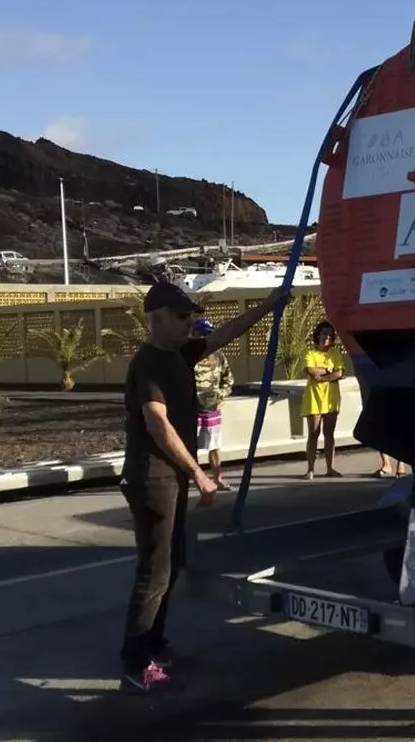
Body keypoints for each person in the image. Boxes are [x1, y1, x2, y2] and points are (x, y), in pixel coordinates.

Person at [118, 281, 288, 695]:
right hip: (153, 476)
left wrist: (269, 305)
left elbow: (228, 331)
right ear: (155, 319)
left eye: (189, 315)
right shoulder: (150, 363)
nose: (188, 322)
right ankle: (136, 663)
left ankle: (155, 646)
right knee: (155, 572)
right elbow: (157, 425)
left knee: (170, 566)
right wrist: (198, 471)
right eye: (180, 316)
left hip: (169, 475)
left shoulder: (181, 353)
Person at [302, 320, 348, 479]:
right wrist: (328, 370)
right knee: (313, 433)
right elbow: (310, 370)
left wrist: (323, 376)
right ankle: (310, 468)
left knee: (329, 433)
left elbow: (340, 373)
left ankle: (330, 467)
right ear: (318, 335)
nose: (327, 337)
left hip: (331, 398)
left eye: (329, 335)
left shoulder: (335, 354)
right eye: (324, 334)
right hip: (314, 398)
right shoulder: (310, 353)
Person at [192, 318, 234, 492]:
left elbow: (228, 379)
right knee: (189, 448)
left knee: (215, 446)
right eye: (201, 334)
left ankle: (218, 480)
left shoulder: (219, 356)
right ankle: (196, 481)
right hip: (191, 411)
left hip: (213, 410)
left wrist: (220, 395)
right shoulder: (188, 356)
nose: (205, 338)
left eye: (208, 335)